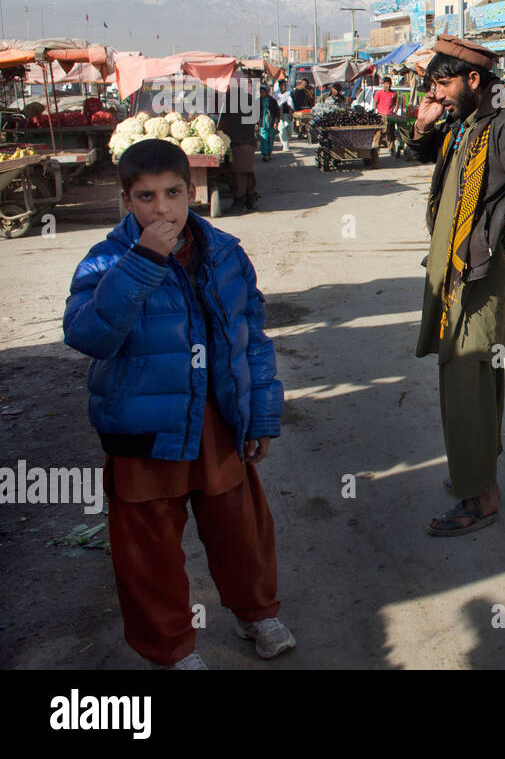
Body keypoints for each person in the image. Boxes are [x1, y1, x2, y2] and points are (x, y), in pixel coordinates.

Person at [62, 139, 291, 670]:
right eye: (145, 197)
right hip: (144, 427)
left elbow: (250, 337)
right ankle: (170, 649)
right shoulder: (105, 261)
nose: (160, 208)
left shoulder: (227, 253)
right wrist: (142, 263)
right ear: (126, 202)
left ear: (191, 192)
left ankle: (255, 612)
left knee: (241, 529)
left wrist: (259, 414)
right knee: (150, 549)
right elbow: (90, 336)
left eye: (171, 193)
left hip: (217, 418)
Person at [409, 35, 505, 537]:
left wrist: (494, 233)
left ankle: (480, 498)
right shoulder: (463, 122)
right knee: (465, 381)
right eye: (434, 85)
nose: (438, 94)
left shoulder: (502, 122)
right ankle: (477, 477)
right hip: (453, 272)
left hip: (474, 272)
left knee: (466, 379)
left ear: (474, 81)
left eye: (444, 84)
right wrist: (424, 124)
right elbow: (428, 161)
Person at [221, 82, 259, 212]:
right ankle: (250, 200)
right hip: (249, 141)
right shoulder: (250, 99)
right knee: (247, 172)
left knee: (238, 173)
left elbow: (223, 121)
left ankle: (239, 202)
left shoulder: (229, 101)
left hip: (238, 142)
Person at [258, 85, 277, 162]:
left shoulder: (272, 101)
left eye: (263, 92)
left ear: (266, 92)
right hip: (262, 122)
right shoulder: (258, 101)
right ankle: (265, 154)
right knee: (264, 138)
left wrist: (276, 121)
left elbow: (276, 112)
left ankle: (269, 152)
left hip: (271, 122)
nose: (261, 93)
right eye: (260, 92)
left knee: (270, 138)